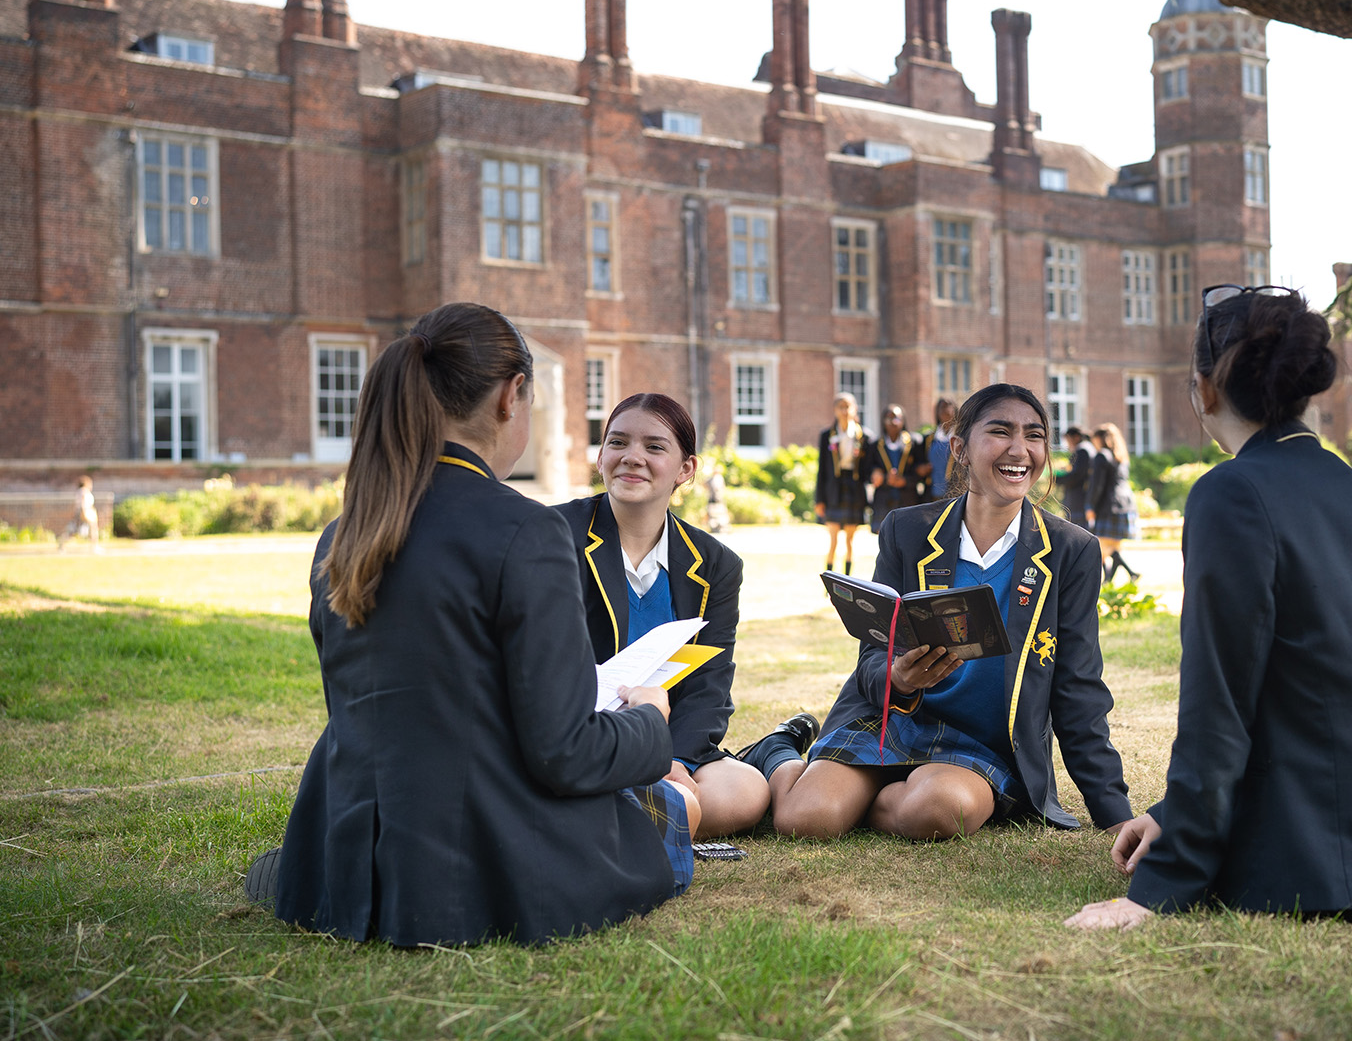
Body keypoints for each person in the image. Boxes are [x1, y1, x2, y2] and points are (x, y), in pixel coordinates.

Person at [1067, 286, 1352, 930]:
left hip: (1343, 856)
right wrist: (1169, 814)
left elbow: (1219, 703)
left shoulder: (1232, 493)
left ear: (1206, 390)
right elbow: (1349, 681)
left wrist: (1158, 890)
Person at [265, 303, 694, 946]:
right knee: (675, 810)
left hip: (344, 871)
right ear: (510, 395)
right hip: (478, 875)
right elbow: (565, 753)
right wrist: (650, 722)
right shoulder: (525, 530)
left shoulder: (342, 535)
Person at [737, 384, 1133, 842]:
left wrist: (1115, 814)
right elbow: (871, 659)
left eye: (1035, 435)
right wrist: (899, 678)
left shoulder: (1072, 551)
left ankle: (874, 795)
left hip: (984, 746)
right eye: (1000, 431)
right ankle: (781, 750)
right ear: (960, 449)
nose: (1019, 449)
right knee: (804, 821)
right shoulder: (907, 531)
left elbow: (1078, 689)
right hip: (893, 721)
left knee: (937, 811)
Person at [553, 392, 780, 840]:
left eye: (654, 447)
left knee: (745, 791)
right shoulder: (553, 536)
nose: (632, 458)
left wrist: (674, 760)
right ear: (601, 457)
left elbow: (710, 685)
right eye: (618, 443)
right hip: (581, 736)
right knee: (677, 804)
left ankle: (642, 813)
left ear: (686, 469)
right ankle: (646, 815)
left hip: (665, 742)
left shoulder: (716, 564)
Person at [814, 393, 868, 575]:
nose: (845, 411)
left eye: (848, 407)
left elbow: (868, 468)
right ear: (835, 410)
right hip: (833, 490)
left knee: (850, 540)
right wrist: (819, 499)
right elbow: (821, 468)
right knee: (833, 539)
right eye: (841, 407)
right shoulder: (826, 435)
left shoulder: (863, 436)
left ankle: (848, 579)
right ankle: (829, 581)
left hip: (854, 489)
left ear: (855, 409)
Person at [1087, 424, 1141, 584]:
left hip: (1109, 505)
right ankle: (1120, 576)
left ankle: (1108, 579)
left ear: (1100, 439)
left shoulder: (1102, 455)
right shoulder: (1121, 456)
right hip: (1126, 503)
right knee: (1113, 546)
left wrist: (1090, 505)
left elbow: (1097, 485)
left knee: (1101, 546)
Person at [864, 404, 926, 531]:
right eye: (888, 418)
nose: (892, 422)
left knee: (908, 538)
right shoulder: (875, 445)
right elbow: (865, 471)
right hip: (883, 500)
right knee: (885, 540)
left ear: (903, 420)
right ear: (883, 421)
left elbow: (921, 471)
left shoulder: (915, 442)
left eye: (896, 418)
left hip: (908, 499)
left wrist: (905, 480)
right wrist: (878, 475)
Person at [1054, 426, 1092, 526]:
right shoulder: (1088, 448)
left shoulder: (1082, 450)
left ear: (1076, 437)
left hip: (1077, 499)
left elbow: (1076, 475)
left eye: (1068, 440)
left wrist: (1055, 479)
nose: (1068, 444)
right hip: (1082, 498)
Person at [59, 475, 101, 553]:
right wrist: (84, 513)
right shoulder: (83, 491)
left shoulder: (81, 491)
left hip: (84, 512)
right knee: (89, 528)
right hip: (84, 512)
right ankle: (94, 547)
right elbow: (83, 502)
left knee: (81, 530)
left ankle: (62, 544)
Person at [926, 398, 958, 498]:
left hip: (955, 491)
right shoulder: (929, 439)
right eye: (941, 407)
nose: (945, 409)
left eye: (948, 405)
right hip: (932, 491)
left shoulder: (962, 437)